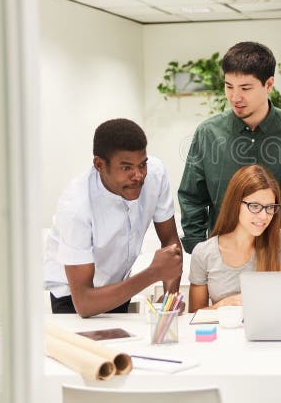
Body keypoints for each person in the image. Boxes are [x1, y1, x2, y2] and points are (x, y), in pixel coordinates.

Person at [179, 42, 281, 254]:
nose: (235, 97)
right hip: (224, 261)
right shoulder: (208, 134)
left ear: (269, 85)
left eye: (245, 88)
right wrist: (199, 250)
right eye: (229, 86)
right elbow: (192, 197)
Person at [43, 119, 183, 317]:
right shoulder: (76, 208)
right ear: (99, 164)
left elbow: (169, 242)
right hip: (74, 300)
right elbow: (84, 304)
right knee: (89, 349)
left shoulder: (155, 174)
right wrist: (152, 273)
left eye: (142, 165)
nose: (138, 175)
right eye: (126, 168)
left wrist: (171, 299)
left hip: (120, 286)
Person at [188, 165, 281, 312]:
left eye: (270, 207)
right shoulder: (203, 253)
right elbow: (194, 315)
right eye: (255, 206)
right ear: (235, 204)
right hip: (224, 333)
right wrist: (221, 306)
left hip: (267, 331)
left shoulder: (278, 239)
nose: (264, 216)